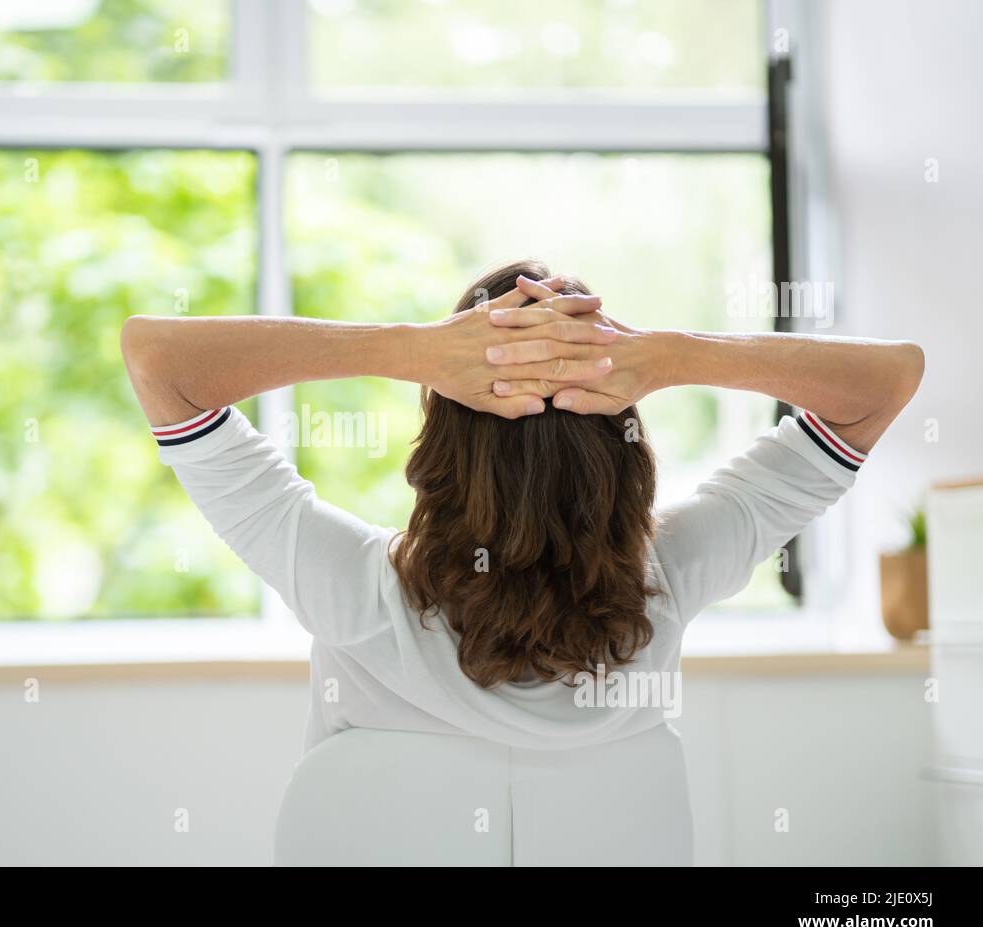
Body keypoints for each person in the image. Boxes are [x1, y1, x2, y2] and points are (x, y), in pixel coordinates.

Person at [121, 260, 923, 752]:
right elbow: (888, 380)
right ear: (625, 447)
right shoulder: (673, 577)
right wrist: (664, 356)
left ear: (440, 443)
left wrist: (413, 350)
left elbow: (158, 359)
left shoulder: (352, 593)